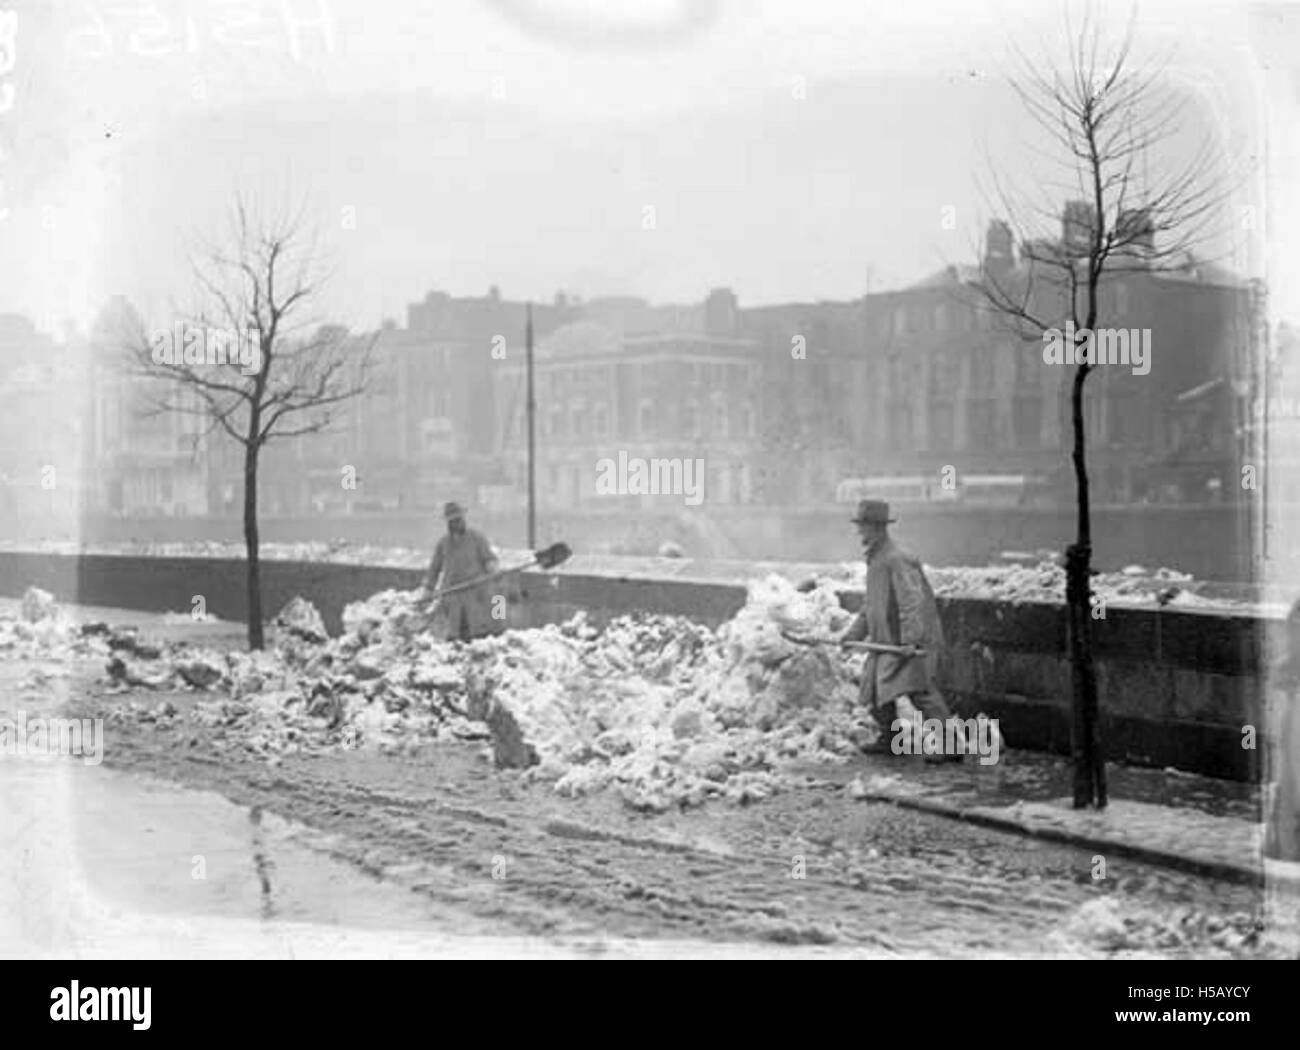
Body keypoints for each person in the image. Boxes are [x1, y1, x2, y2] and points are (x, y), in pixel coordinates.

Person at [839, 499, 961, 762]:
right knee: (875, 690)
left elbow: (911, 602)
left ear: (878, 528)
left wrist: (912, 640)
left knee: (921, 692)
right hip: (885, 641)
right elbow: (869, 606)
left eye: (864, 527)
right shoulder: (876, 559)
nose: (860, 532)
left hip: (906, 641)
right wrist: (854, 634)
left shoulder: (897, 558)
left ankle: (951, 745)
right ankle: (890, 739)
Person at [421, 501, 504, 642]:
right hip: (451, 595)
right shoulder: (444, 544)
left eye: (459, 519)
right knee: (453, 633)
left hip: (475, 592)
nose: (457, 523)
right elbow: (434, 569)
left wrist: (493, 569)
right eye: (453, 521)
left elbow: (488, 558)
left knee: (479, 629)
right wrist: (428, 590)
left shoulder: (476, 538)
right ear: (449, 523)